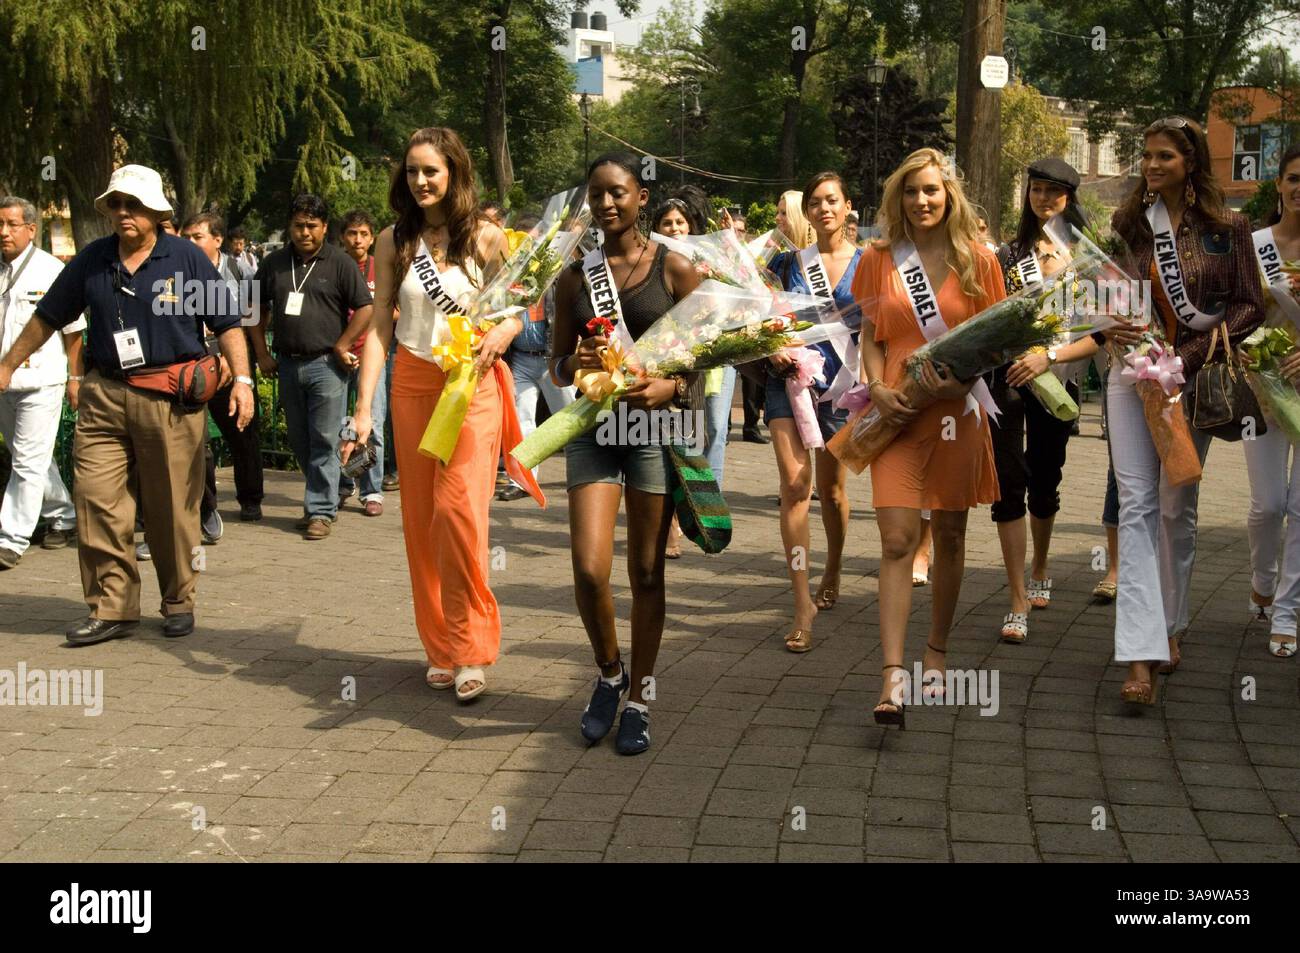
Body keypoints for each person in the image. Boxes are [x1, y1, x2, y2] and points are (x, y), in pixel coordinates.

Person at [0, 164, 253, 645]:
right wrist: (8, 364)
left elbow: (227, 323)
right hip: (103, 395)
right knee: (96, 501)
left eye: (132, 204)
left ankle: (178, 598)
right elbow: (49, 316)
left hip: (170, 400)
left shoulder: (186, 258)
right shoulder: (93, 259)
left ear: (157, 212)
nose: (122, 212)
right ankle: (112, 607)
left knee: (172, 509)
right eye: (115, 204)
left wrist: (241, 378)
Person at [342, 126, 531, 703]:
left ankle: (473, 646)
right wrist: (362, 411)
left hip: (472, 388)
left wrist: (502, 328)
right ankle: (443, 648)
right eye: (412, 171)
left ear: (454, 173)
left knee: (458, 514)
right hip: (414, 384)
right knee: (422, 522)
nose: (420, 181)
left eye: (432, 171)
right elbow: (379, 327)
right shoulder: (391, 241)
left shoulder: (489, 238)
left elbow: (518, 309)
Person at [1107, 117, 1264, 704]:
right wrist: (1110, 320)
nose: (1152, 165)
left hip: (1187, 383)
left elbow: (1249, 304)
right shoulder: (1130, 223)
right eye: (1147, 156)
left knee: (1177, 505)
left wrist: (1187, 355)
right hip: (1131, 375)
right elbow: (1109, 289)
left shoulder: (1229, 228)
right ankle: (1141, 654)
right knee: (1139, 504)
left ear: (1191, 162)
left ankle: (1172, 623)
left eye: (1165, 156)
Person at [550, 152, 702, 755]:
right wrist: (576, 364)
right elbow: (558, 363)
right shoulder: (573, 277)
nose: (606, 204)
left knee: (646, 571)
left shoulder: (675, 268)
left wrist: (673, 386)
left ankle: (641, 694)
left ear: (642, 197)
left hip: (650, 432)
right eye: (596, 195)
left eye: (618, 193)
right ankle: (609, 673)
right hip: (593, 428)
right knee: (589, 570)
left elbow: (703, 353)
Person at [853, 148, 1006, 727]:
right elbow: (870, 334)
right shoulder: (880, 258)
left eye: (932, 191)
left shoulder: (980, 261)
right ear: (900, 197)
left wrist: (958, 381)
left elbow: (997, 342)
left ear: (950, 197)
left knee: (950, 533)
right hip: (895, 412)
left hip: (954, 413)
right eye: (913, 191)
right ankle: (892, 677)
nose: (922, 201)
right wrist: (873, 383)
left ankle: (936, 649)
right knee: (895, 540)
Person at [991, 158, 1101, 642]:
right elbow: (990, 318)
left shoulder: (1088, 256)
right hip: (1010, 377)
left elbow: (1103, 331)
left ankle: (1040, 565)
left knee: (1045, 473)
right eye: (1036, 189)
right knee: (1009, 478)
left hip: (1059, 379)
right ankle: (1017, 596)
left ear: (1070, 198)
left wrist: (1050, 356)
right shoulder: (1009, 254)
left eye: (1054, 192)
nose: (1043, 199)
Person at [764, 173, 859, 653]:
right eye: (815, 202)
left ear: (846, 208)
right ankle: (802, 603)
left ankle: (835, 566)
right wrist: (773, 344)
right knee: (796, 486)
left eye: (831, 201)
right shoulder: (785, 262)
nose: (823, 209)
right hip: (791, 382)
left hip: (843, 385)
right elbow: (760, 313)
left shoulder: (870, 263)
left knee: (833, 489)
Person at [248, 194, 373, 539]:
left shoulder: (339, 263)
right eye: (298, 225)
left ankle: (320, 510)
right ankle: (327, 493)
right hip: (287, 364)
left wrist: (343, 343)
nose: (304, 232)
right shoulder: (273, 263)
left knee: (323, 439)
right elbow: (253, 309)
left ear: (324, 228)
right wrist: (261, 353)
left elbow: (365, 307)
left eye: (311, 226)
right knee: (299, 439)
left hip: (326, 366)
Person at [650, 195, 736, 555]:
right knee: (667, 443)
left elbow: (731, 301)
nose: (674, 229)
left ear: (692, 228)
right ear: (656, 229)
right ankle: (670, 528)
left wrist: (731, 249)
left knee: (702, 436)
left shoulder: (707, 264)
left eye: (680, 223)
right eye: (667, 223)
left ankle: (701, 509)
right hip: (663, 364)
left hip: (703, 365)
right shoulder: (649, 265)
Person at [0, 196, 83, 569]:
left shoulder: (51, 270)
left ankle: (11, 538)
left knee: (28, 462)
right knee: (28, 457)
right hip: (4, 384)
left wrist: (76, 378)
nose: (4, 232)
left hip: (41, 381)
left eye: (12, 225)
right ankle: (64, 515)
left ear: (31, 229)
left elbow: (74, 330)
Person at [1243, 142, 1300, 658]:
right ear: (1279, 184)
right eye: (1294, 178)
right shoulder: (1254, 243)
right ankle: (1262, 576)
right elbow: (1232, 313)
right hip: (1263, 385)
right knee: (1269, 505)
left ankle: (1286, 610)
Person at [180, 212, 266, 523]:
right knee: (195, 438)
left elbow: (251, 315)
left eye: (197, 236)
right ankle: (205, 506)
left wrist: (236, 359)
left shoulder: (239, 269)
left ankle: (250, 498)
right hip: (194, 363)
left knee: (241, 431)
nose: (189, 242)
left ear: (218, 240)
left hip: (232, 359)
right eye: (185, 236)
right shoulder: (177, 271)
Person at [500, 214, 577, 502]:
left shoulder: (557, 271)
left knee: (570, 419)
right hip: (520, 359)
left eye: (533, 240)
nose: (526, 247)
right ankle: (522, 481)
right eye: (520, 241)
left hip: (551, 359)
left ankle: (587, 475)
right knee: (521, 422)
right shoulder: (506, 275)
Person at [336, 208, 387, 516]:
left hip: (372, 356)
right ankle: (345, 482)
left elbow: (395, 310)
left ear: (373, 237)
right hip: (339, 356)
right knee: (344, 426)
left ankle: (372, 491)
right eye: (352, 233)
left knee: (373, 424)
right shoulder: (335, 266)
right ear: (343, 236)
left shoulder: (381, 268)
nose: (358, 239)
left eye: (364, 234)